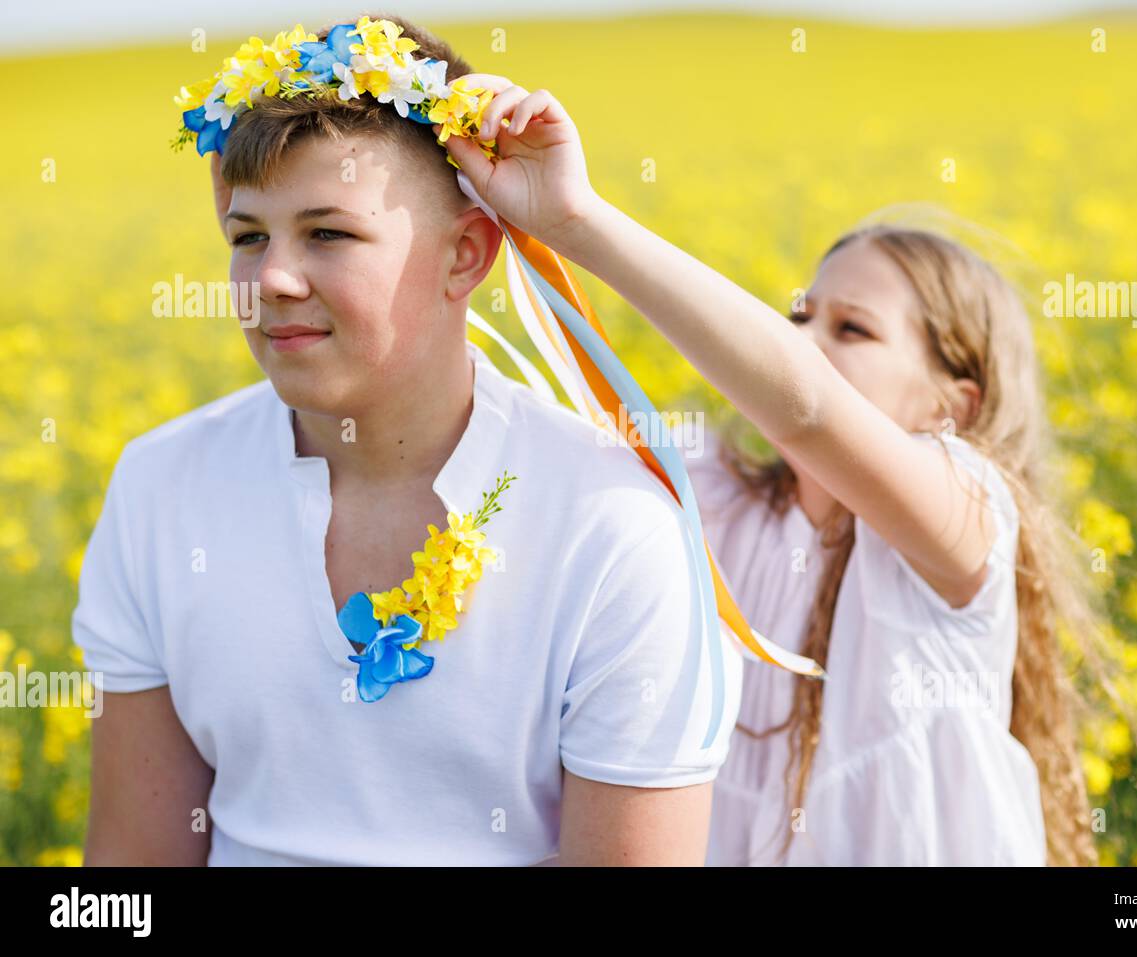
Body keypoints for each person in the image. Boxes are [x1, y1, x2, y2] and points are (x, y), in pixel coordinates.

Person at [72, 15, 742, 866]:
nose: (272, 279)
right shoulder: (159, 486)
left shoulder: (614, 527)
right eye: (248, 237)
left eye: (328, 233)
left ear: (465, 256)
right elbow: (132, 871)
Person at [442, 73, 1107, 866]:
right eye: (799, 316)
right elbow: (532, 456)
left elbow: (808, 403)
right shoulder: (715, 494)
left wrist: (574, 220)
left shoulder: (968, 518)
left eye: (852, 328)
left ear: (951, 406)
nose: (804, 342)